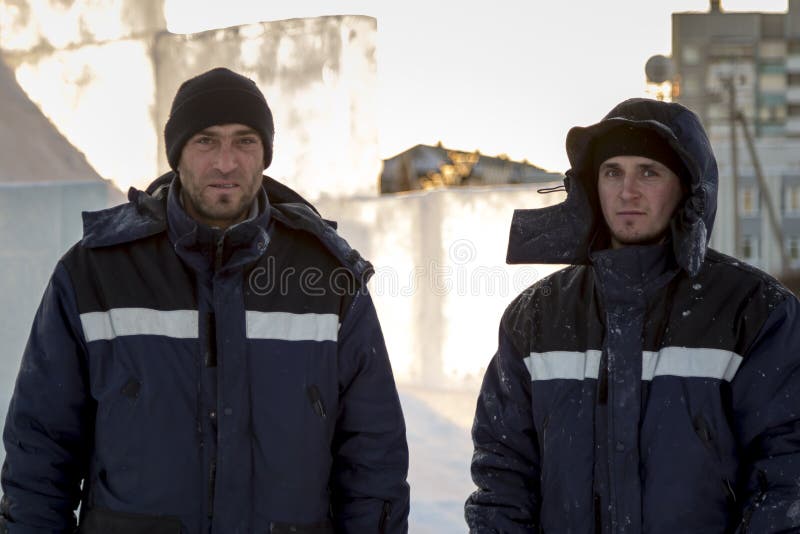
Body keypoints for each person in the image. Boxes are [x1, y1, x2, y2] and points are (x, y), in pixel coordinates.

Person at [0, 67, 409, 533]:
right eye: (206, 141)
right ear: (177, 153)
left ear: (265, 154)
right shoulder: (96, 273)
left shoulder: (328, 278)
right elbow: (39, 454)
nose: (226, 163)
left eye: (245, 141)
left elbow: (374, 461)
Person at [465, 98, 800, 533]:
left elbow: (787, 469)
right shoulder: (535, 318)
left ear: (686, 187)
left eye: (648, 171)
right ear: (592, 185)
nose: (627, 191)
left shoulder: (754, 311)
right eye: (612, 172)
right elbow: (502, 473)